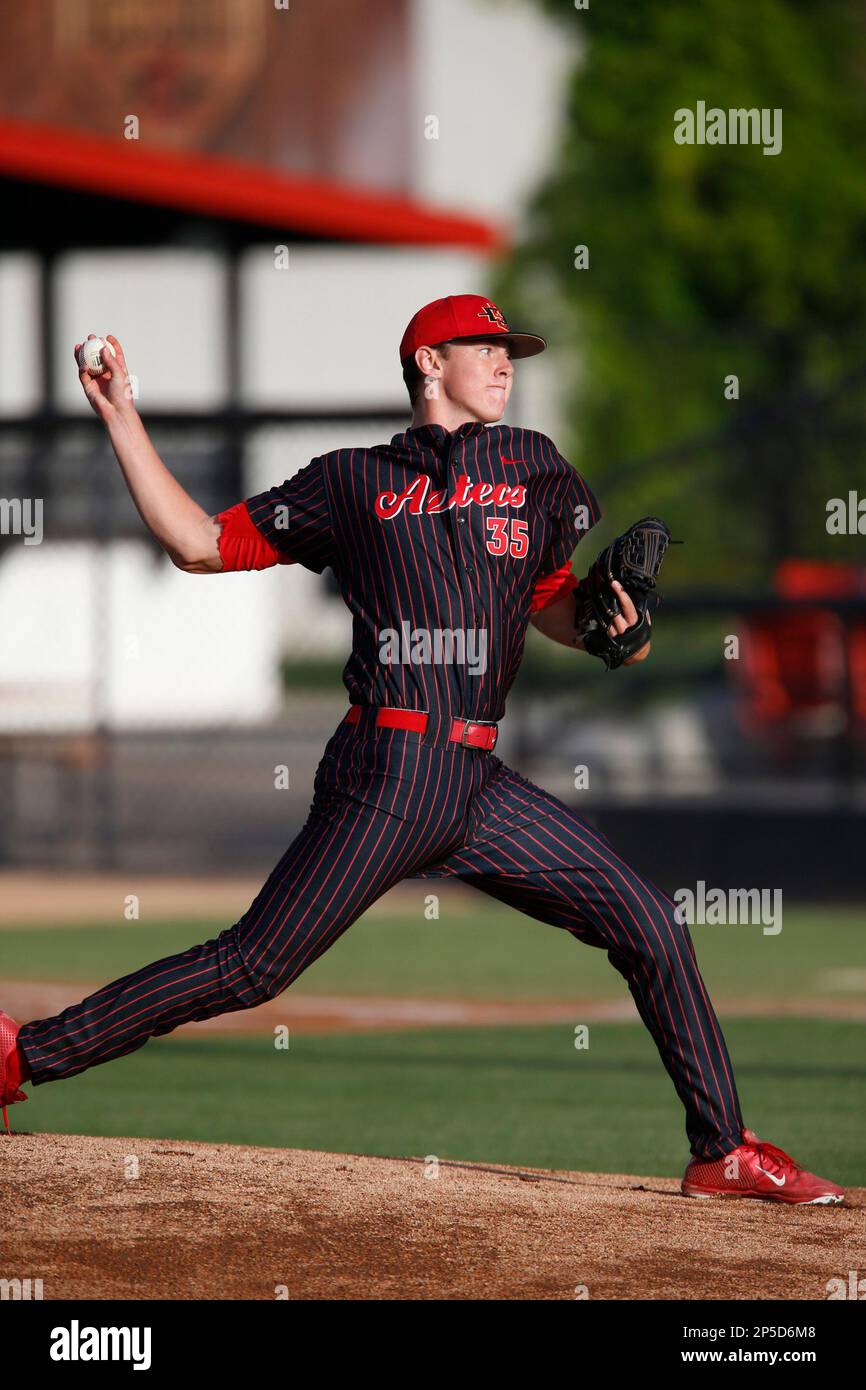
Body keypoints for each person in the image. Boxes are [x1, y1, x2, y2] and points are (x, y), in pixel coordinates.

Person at [0, 294, 843, 1205]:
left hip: (477, 785)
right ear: (428, 363)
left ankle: (723, 1149)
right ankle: (18, 1055)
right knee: (251, 967)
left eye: (510, 349)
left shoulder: (532, 469)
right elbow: (198, 543)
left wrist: (616, 628)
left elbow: (558, 607)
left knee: (652, 926)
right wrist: (122, 413)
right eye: (485, 346)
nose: (506, 360)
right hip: (386, 776)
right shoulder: (350, 482)